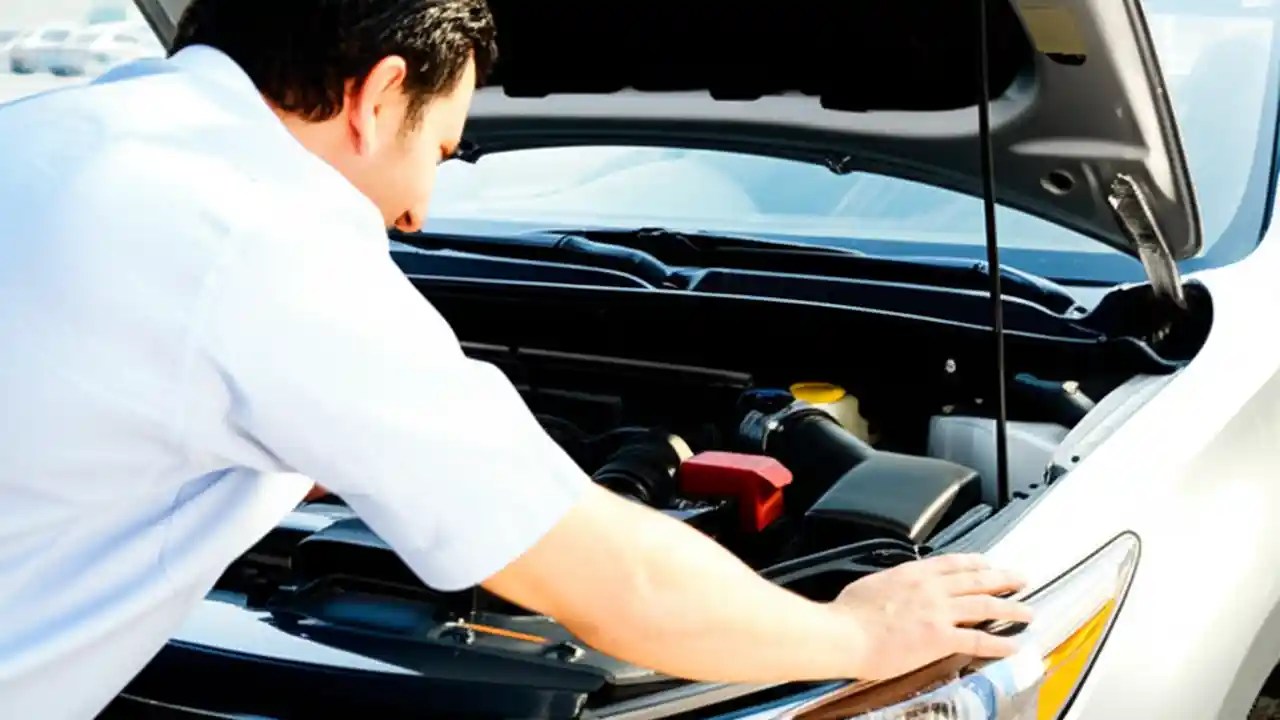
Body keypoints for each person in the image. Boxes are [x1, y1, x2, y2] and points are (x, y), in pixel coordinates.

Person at [0, 1, 1031, 717]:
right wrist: (855, 636)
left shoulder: (44, 135)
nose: (419, 213)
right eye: (440, 152)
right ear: (377, 95)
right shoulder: (265, 236)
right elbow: (608, 577)